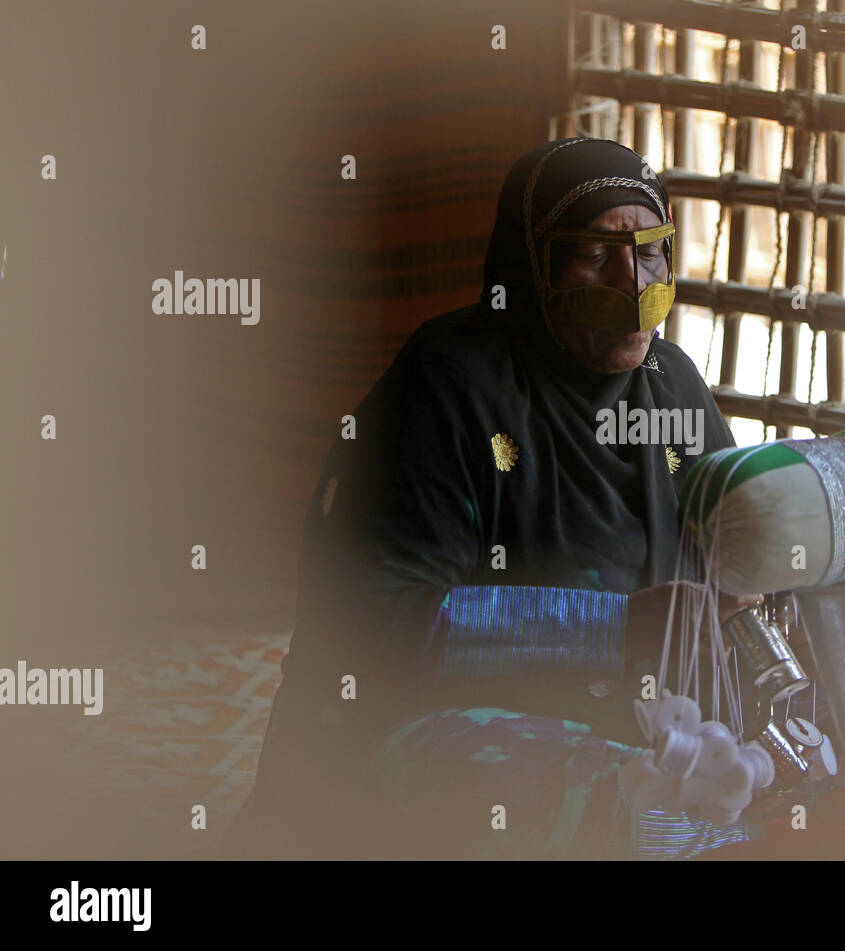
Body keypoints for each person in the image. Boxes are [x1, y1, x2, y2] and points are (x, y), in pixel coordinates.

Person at [220, 137, 762, 860]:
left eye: (652, 250)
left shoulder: (670, 386)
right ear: (532, 267)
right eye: (596, 255)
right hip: (403, 734)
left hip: (623, 719)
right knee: (624, 808)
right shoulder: (446, 389)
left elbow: (732, 530)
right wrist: (612, 628)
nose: (634, 280)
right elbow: (379, 627)